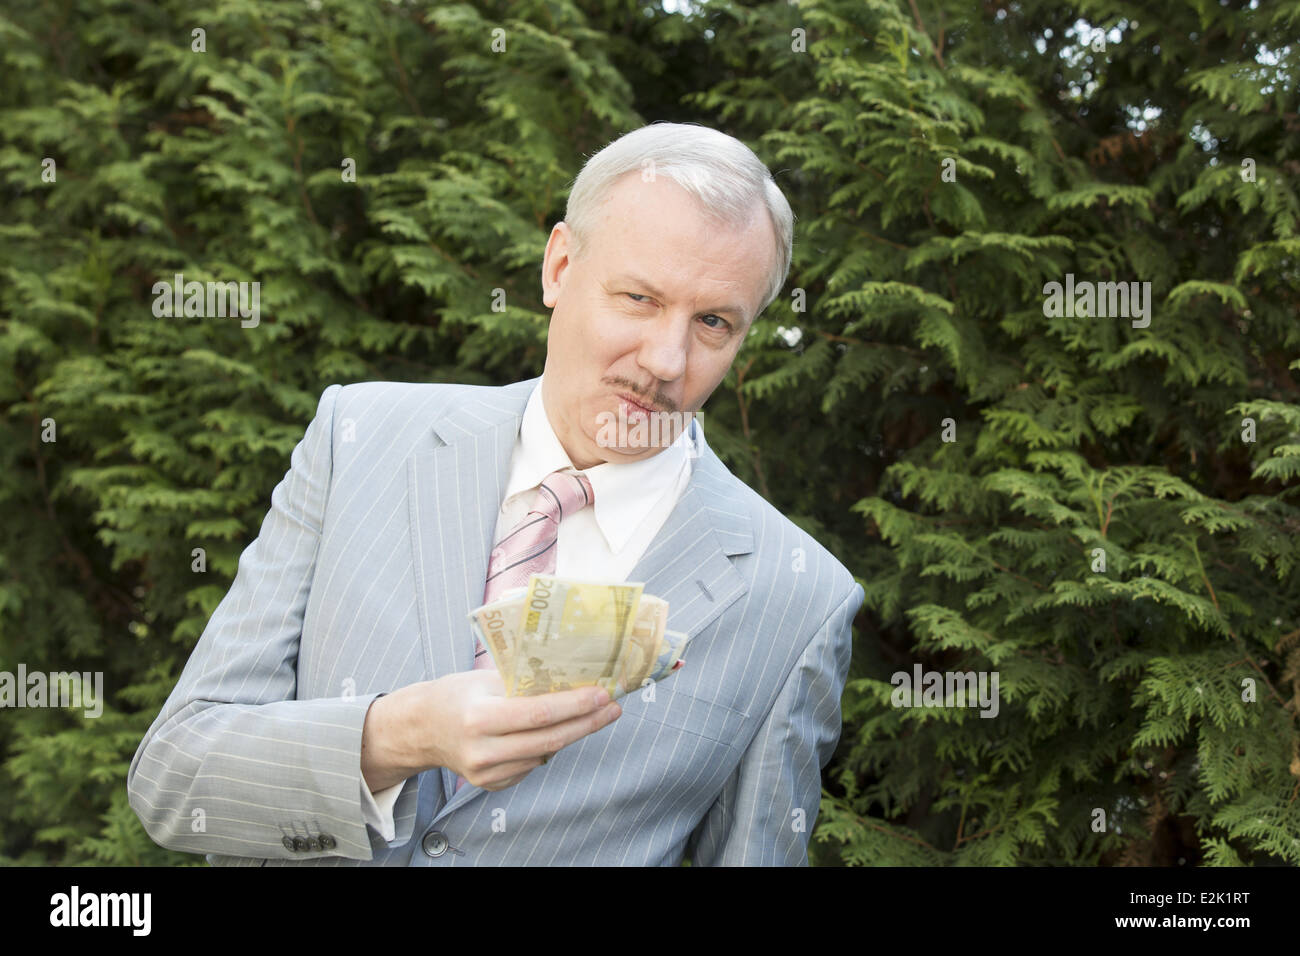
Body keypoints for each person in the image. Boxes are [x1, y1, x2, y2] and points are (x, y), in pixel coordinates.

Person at [127, 121, 864, 866]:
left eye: (712, 322)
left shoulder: (799, 599)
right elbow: (175, 778)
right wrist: (397, 736)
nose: (666, 361)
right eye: (639, 298)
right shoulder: (358, 438)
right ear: (559, 266)